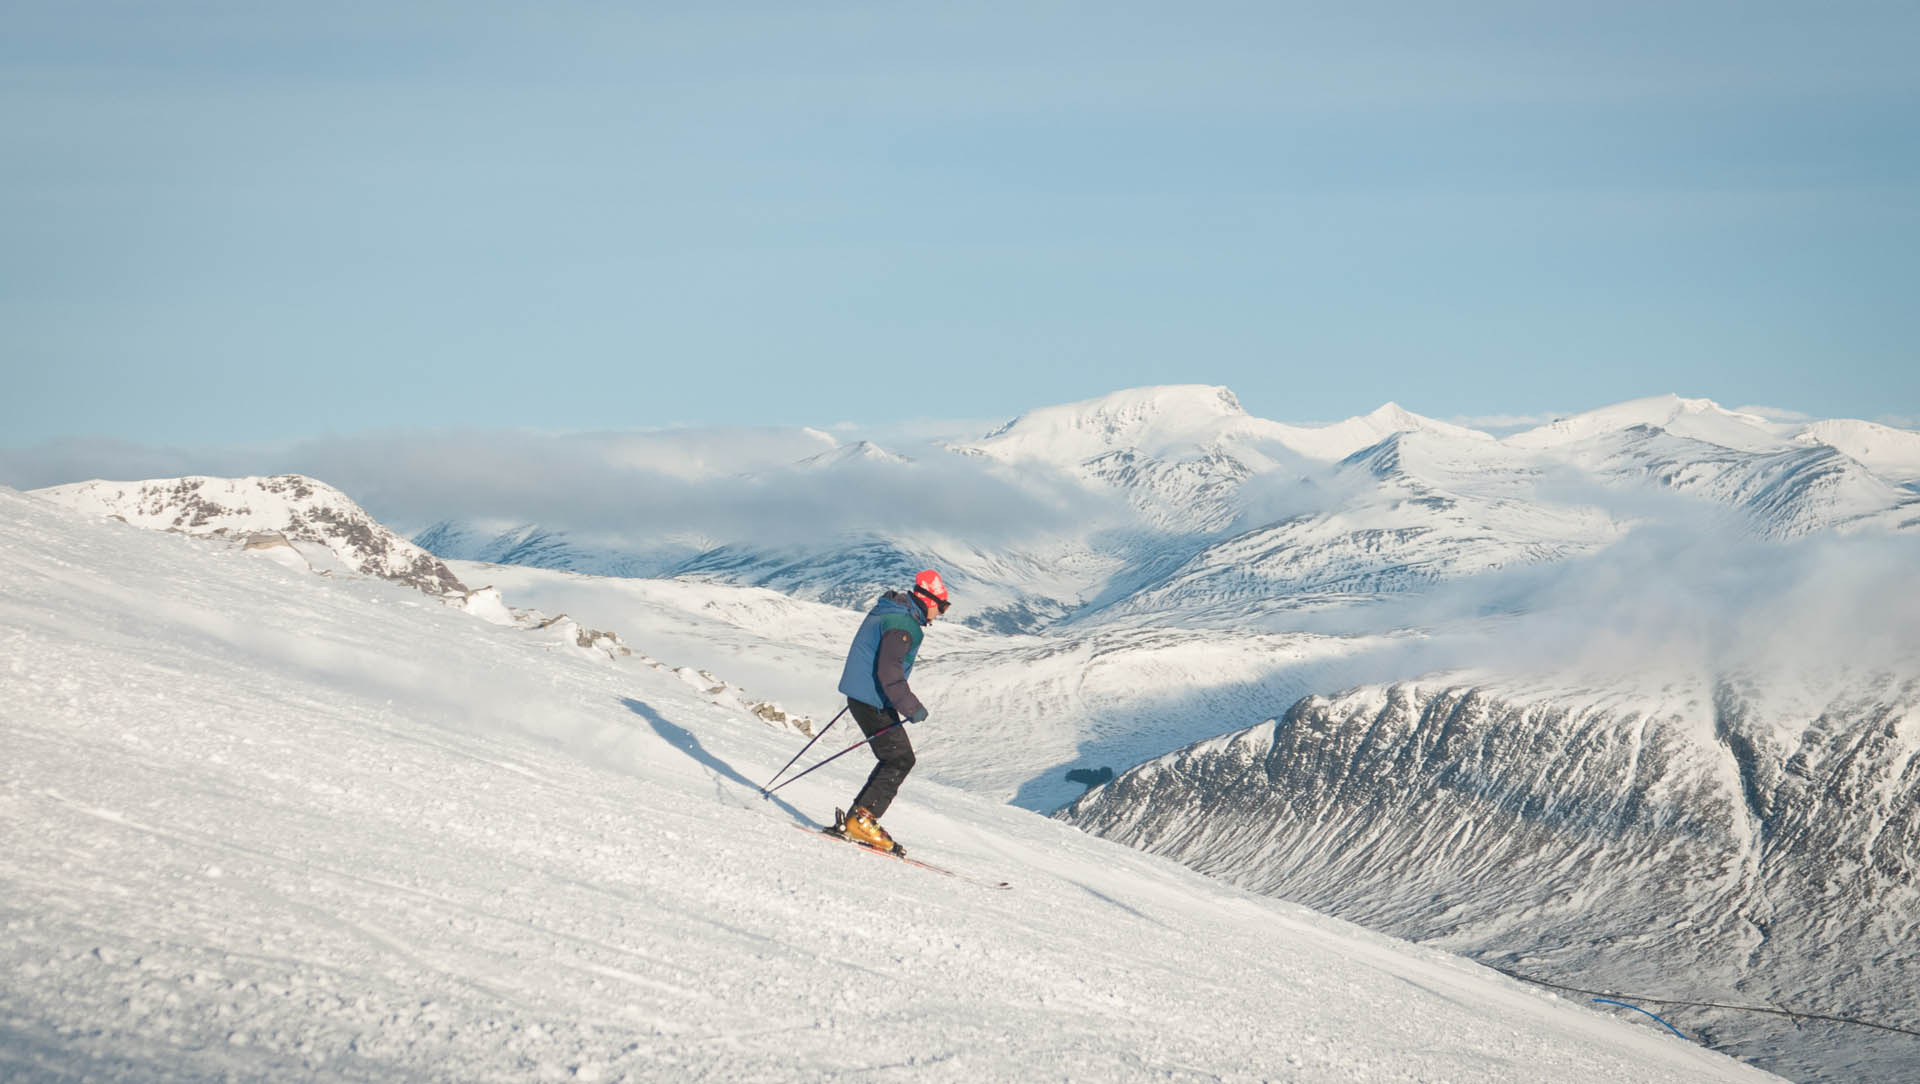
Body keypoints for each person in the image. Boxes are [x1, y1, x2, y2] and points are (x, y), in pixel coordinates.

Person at [833, 568, 950, 853]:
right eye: (943, 607)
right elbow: (889, 672)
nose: (942, 613)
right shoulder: (904, 625)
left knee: (893, 757)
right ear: (929, 600)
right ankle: (861, 820)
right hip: (872, 699)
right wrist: (912, 708)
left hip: (865, 695)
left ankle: (858, 818)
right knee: (900, 759)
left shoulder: (892, 610)